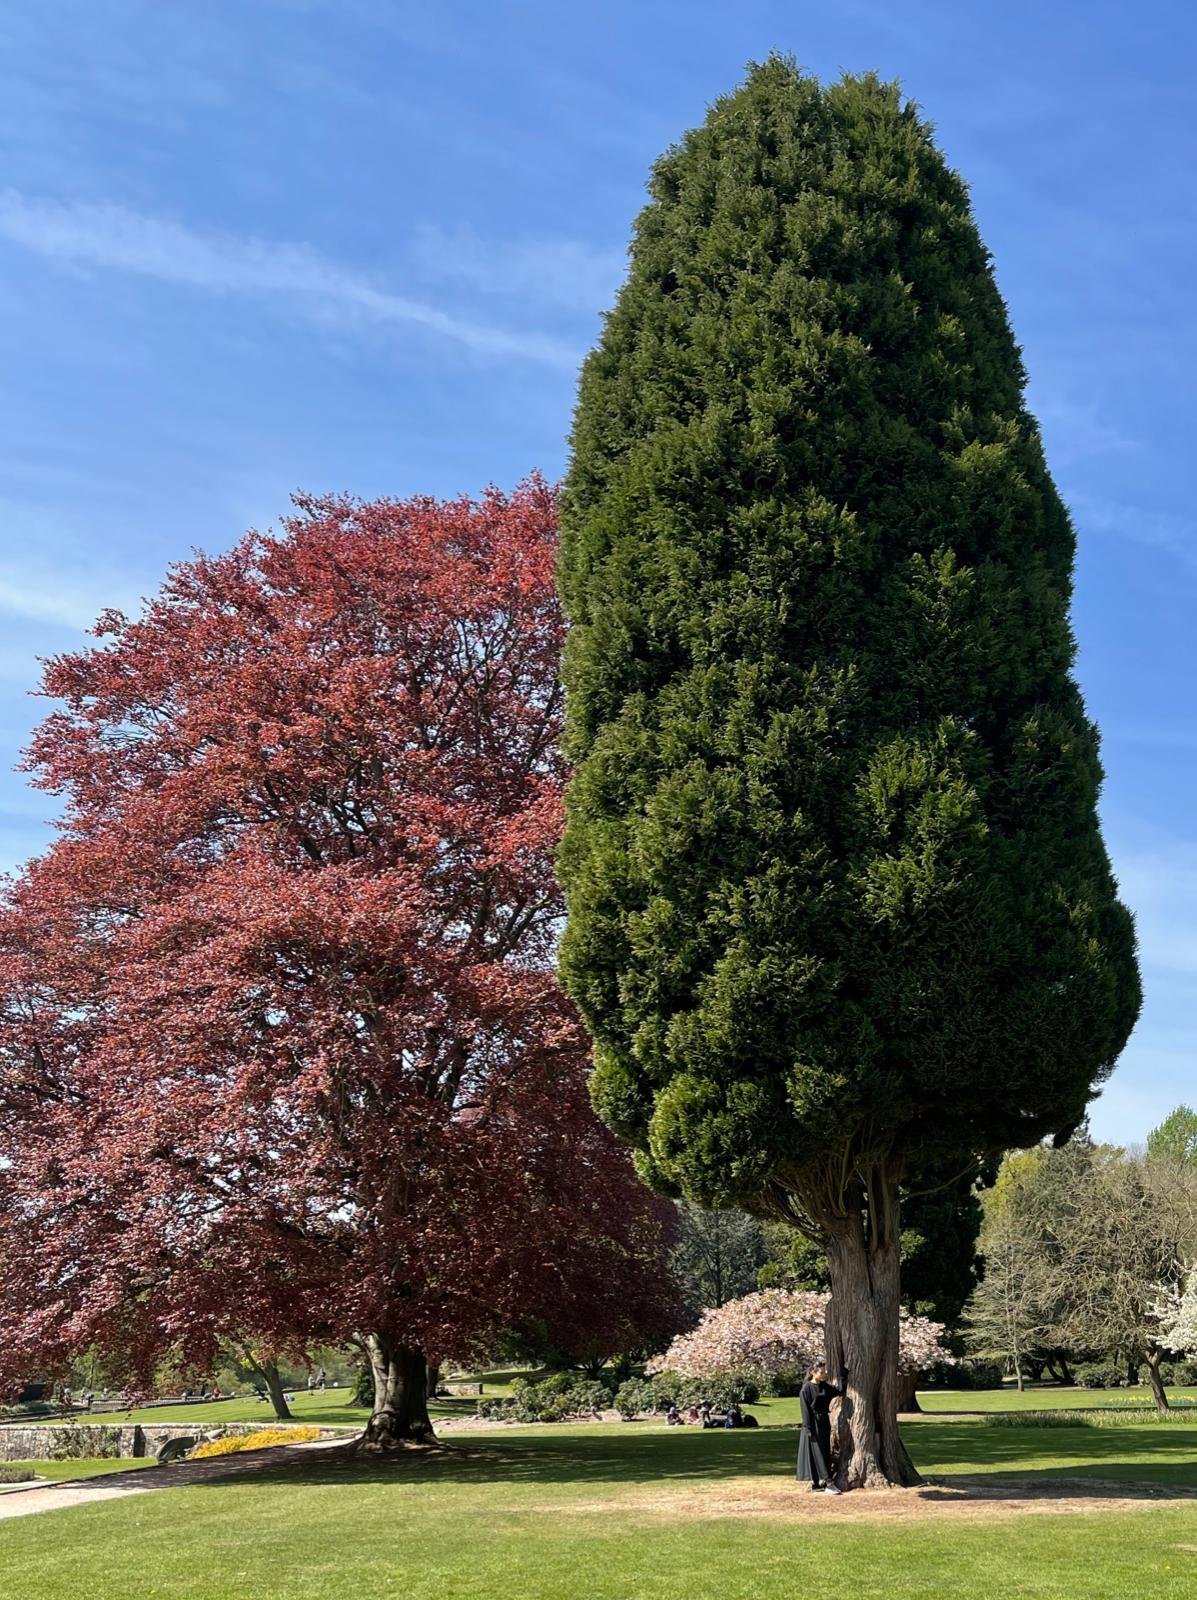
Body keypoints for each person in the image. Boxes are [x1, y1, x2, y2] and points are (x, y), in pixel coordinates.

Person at [797, 1364, 846, 1494]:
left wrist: (844, 1376)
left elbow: (838, 1391)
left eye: (825, 1372)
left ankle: (819, 1483)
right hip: (813, 1424)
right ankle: (827, 1482)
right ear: (814, 1372)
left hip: (824, 1421)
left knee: (824, 1450)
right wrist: (808, 1428)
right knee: (816, 1452)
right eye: (822, 1372)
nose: (824, 1374)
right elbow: (805, 1410)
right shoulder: (806, 1389)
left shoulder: (824, 1387)